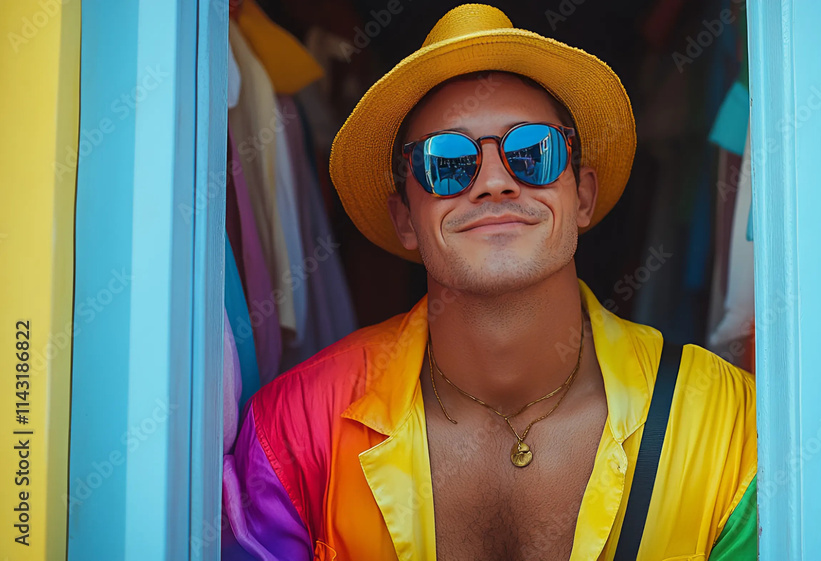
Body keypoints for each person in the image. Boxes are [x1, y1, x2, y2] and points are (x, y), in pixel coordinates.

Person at [223, 4, 756, 560]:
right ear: (405, 216)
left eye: (533, 151)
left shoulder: (724, 423)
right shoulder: (296, 432)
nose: (496, 182)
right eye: (446, 161)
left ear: (584, 196)